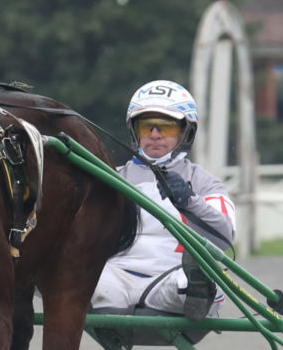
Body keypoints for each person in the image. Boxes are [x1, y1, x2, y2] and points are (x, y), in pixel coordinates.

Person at [92, 80, 236, 320]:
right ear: (134, 131)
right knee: (76, 276)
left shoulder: (204, 182)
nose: (155, 135)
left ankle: (198, 289)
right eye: (147, 126)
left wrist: (189, 201)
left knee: (196, 280)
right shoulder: (112, 178)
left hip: (172, 277)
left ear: (186, 131)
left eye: (165, 127)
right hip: (115, 276)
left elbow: (225, 239)